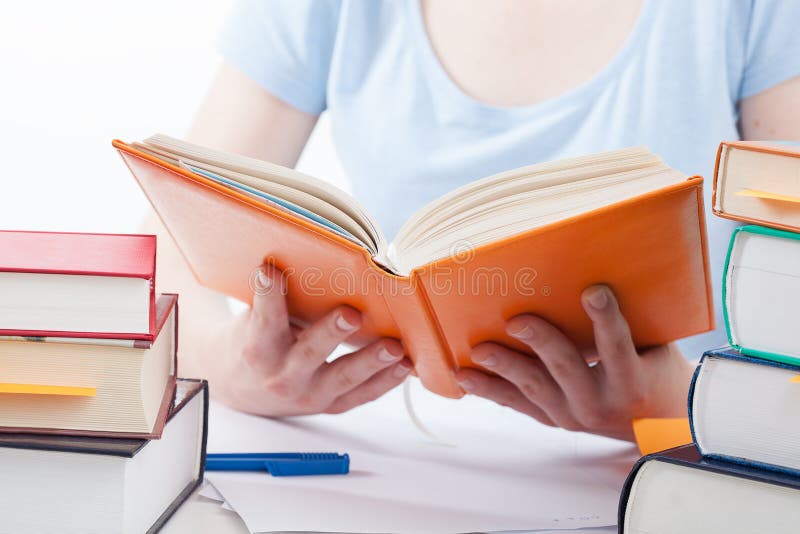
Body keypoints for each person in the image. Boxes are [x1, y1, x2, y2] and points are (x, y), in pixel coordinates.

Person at [146, 0, 800, 441]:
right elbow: (174, 240)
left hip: (671, 460)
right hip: (393, 460)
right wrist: (232, 370)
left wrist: (671, 407)